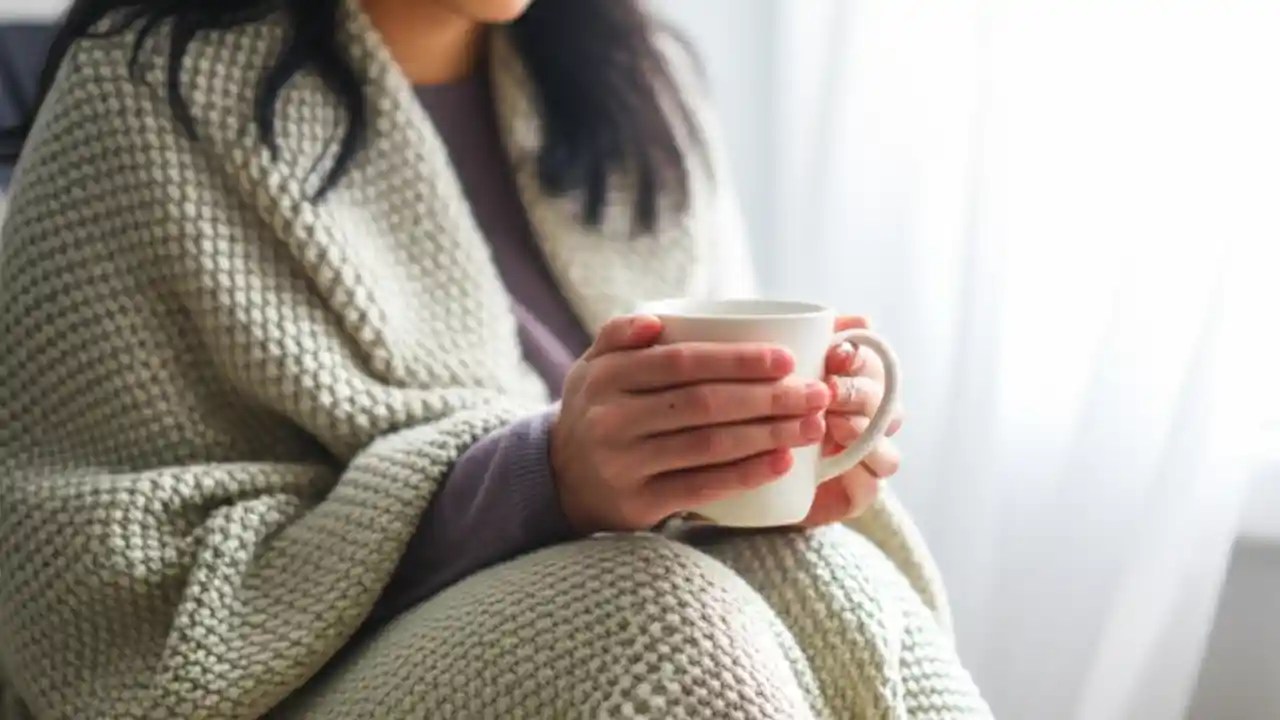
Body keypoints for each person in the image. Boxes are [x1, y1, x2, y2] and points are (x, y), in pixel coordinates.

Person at [0, 0, 990, 717]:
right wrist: (543, 477)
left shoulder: (634, 84)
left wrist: (778, 451)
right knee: (652, 614)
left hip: (659, 600)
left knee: (824, 575)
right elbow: (86, 576)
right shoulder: (146, 92)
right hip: (279, 677)